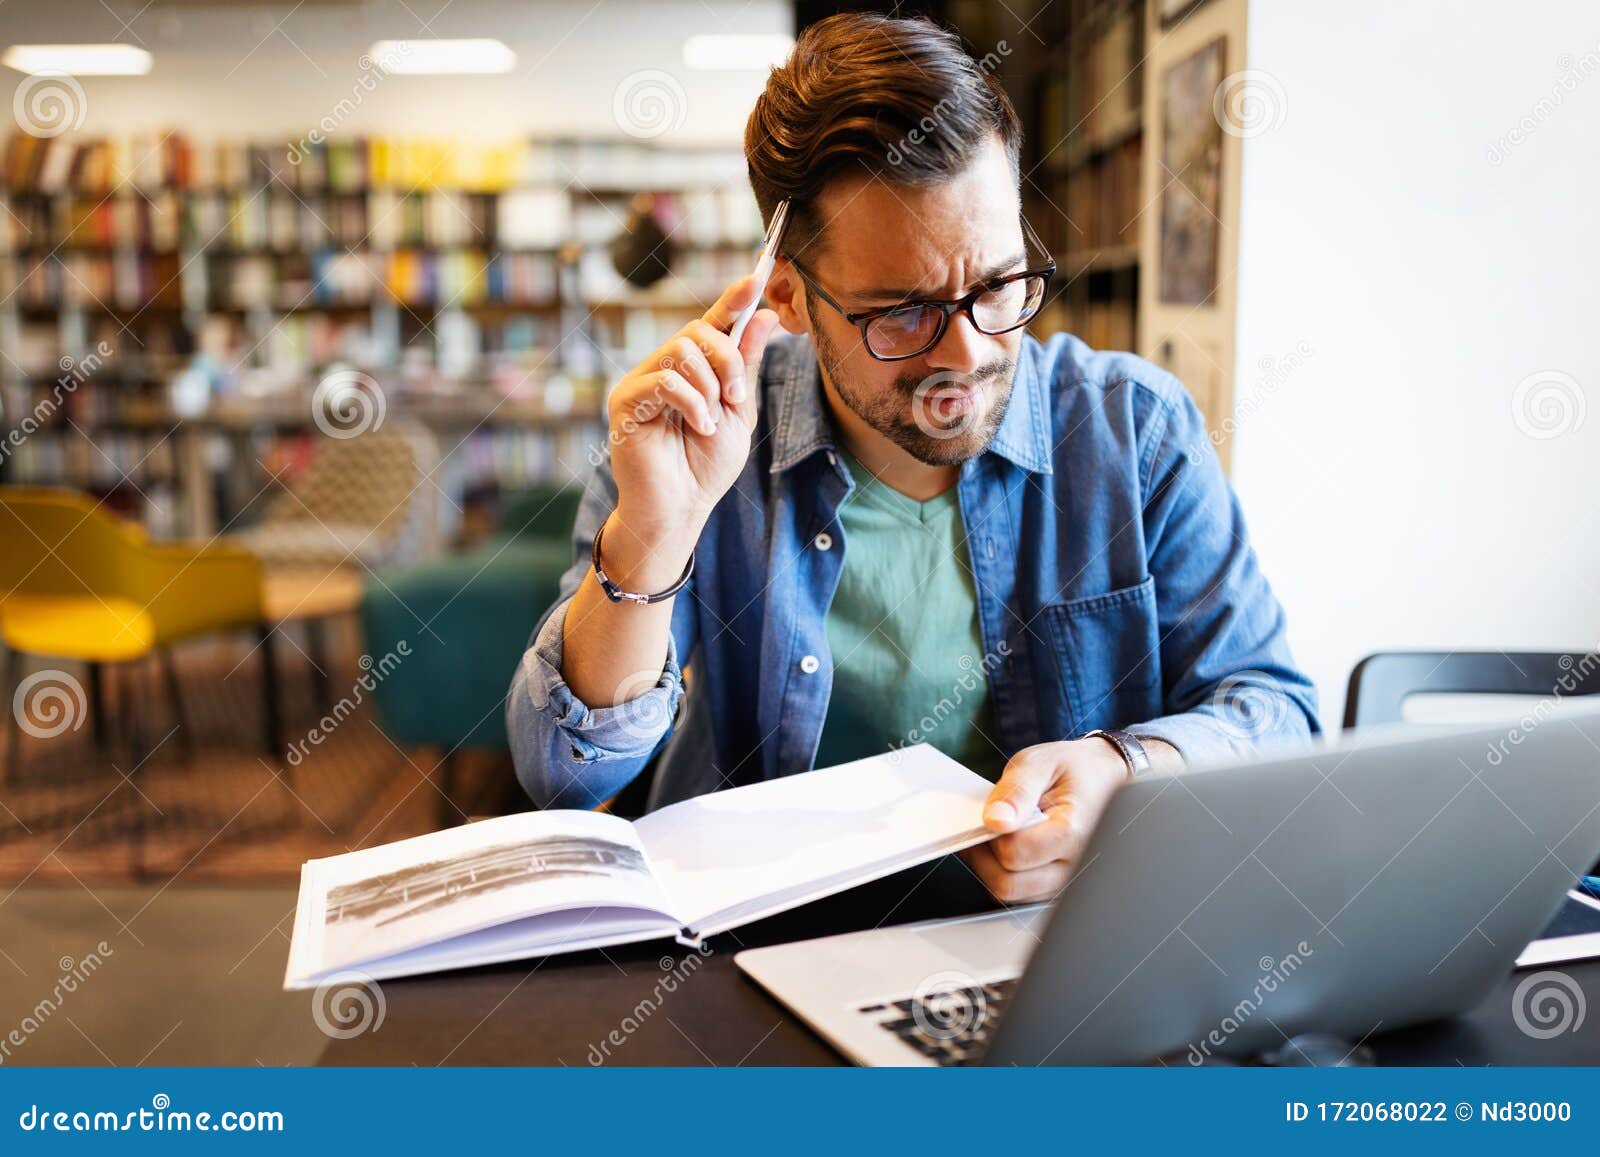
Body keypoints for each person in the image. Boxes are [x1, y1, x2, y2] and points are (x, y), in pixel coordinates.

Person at [509, 12, 1319, 903]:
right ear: (789, 297)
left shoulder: (1137, 430)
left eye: (1000, 285)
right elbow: (562, 776)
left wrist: (1124, 766)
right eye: (903, 312)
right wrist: (653, 537)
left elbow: (1276, 711)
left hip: (1052, 961)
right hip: (759, 961)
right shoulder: (696, 446)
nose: (967, 353)